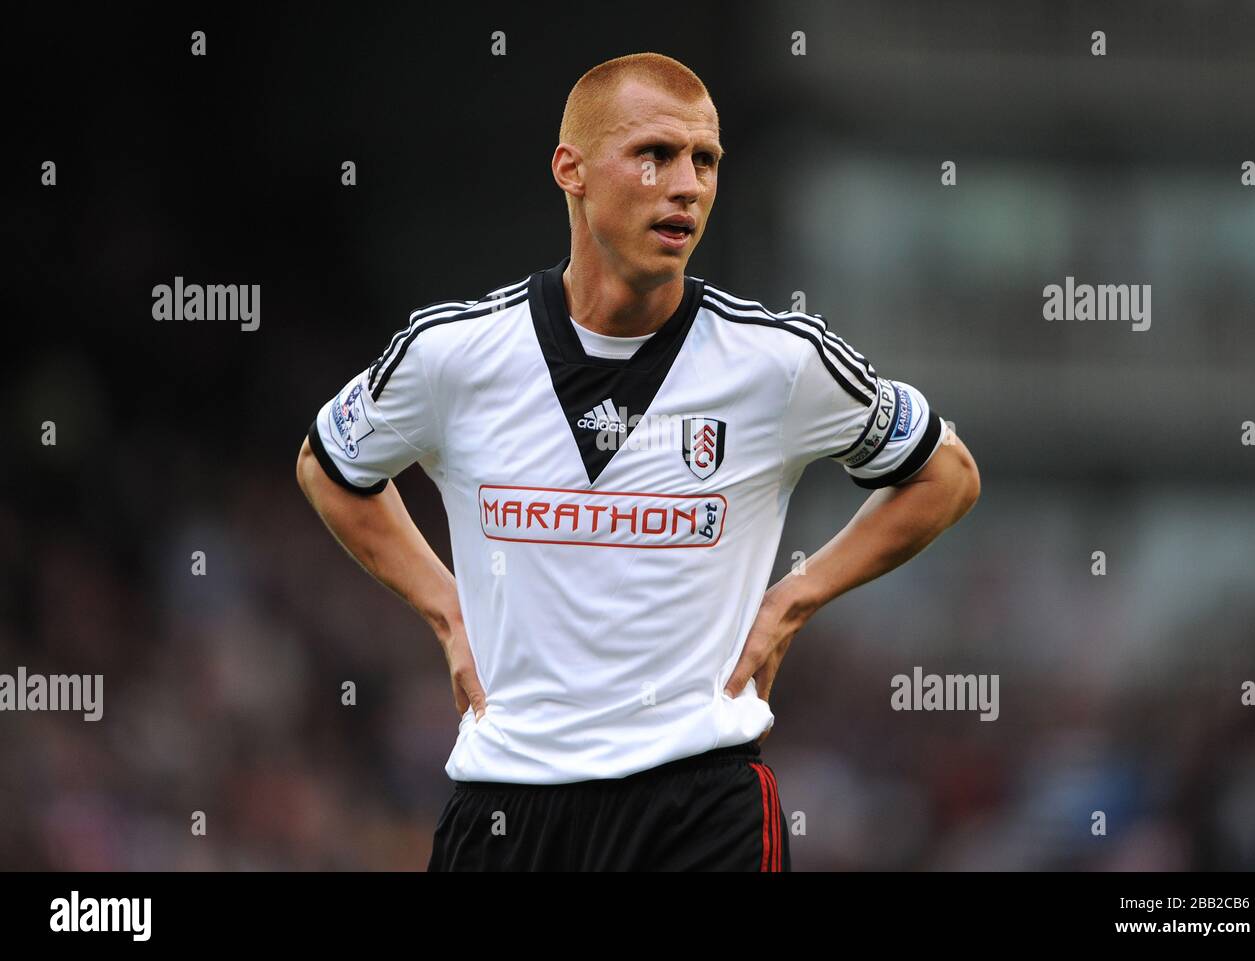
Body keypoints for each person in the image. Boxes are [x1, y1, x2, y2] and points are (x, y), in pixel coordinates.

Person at [296, 52, 980, 871]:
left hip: (701, 806)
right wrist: (445, 609)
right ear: (570, 170)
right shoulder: (454, 355)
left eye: (706, 160)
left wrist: (795, 597)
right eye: (655, 154)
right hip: (507, 806)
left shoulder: (777, 362)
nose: (686, 184)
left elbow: (946, 472)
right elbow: (329, 464)